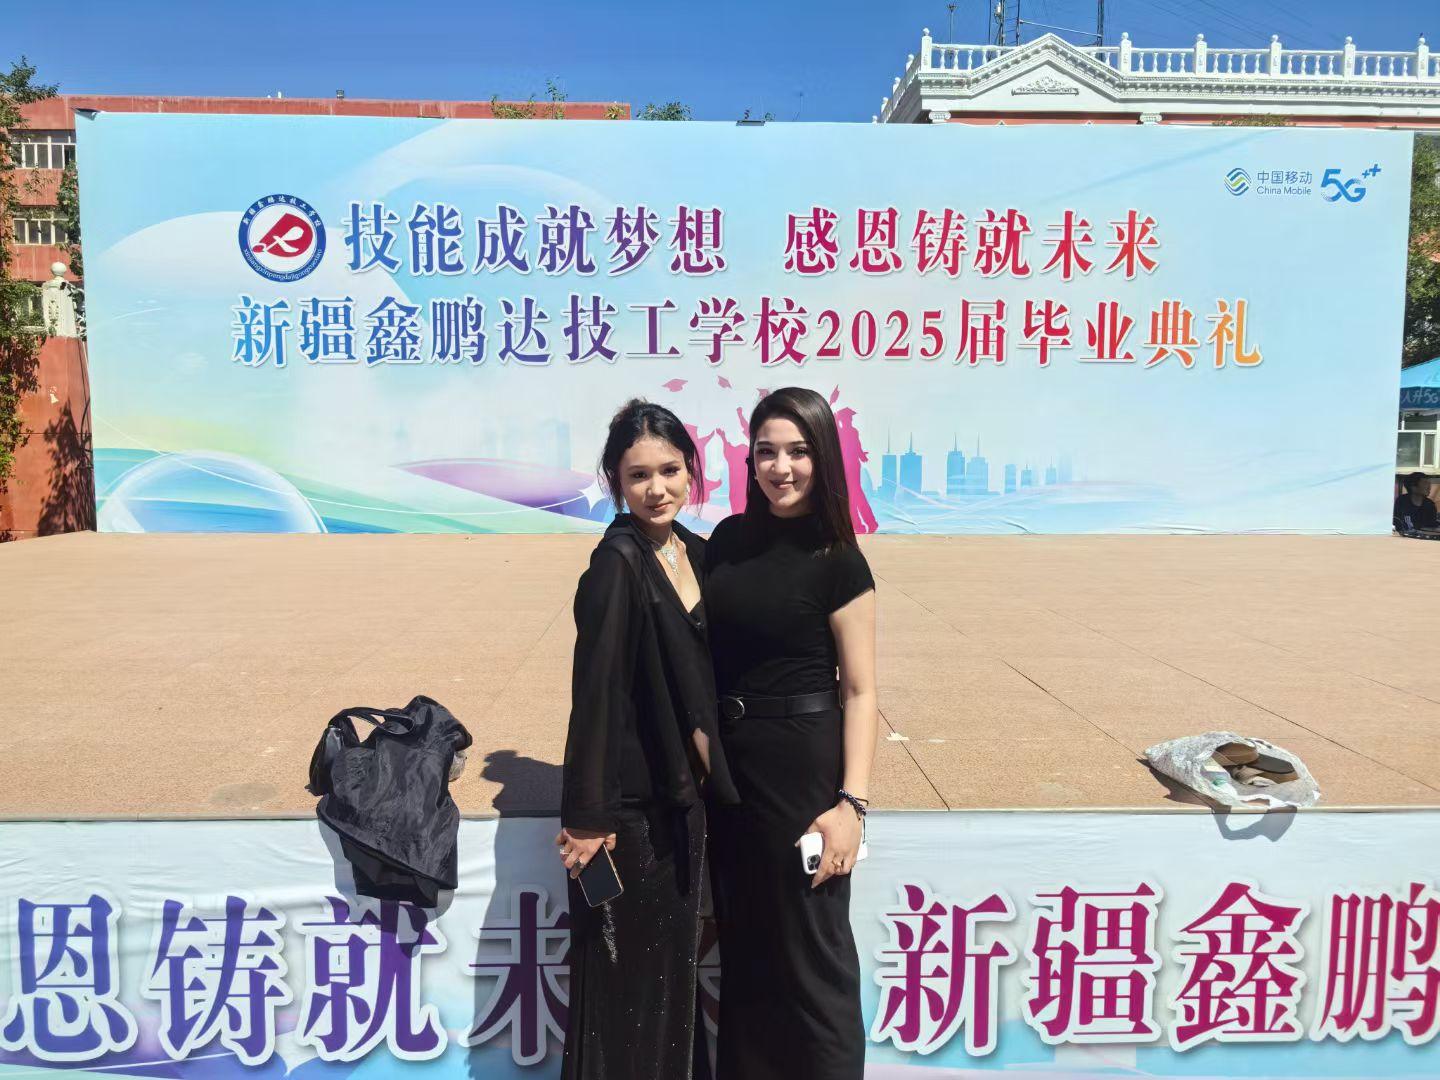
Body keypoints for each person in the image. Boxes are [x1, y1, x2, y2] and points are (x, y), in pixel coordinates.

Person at [557, 399, 739, 1080]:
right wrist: (588, 815)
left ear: (691, 469)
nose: (656, 489)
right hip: (634, 815)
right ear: (615, 481)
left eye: (669, 470)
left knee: (669, 987)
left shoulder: (696, 552)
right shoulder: (617, 564)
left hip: (683, 802)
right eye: (638, 476)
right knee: (631, 991)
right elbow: (596, 691)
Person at [703, 386, 879, 1080]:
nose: (781, 467)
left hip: (802, 773)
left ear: (823, 458)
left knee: (813, 959)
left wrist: (851, 805)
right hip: (730, 774)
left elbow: (860, 692)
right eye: (767, 452)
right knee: (746, 957)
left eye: (798, 452)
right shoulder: (726, 542)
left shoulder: (839, 559)